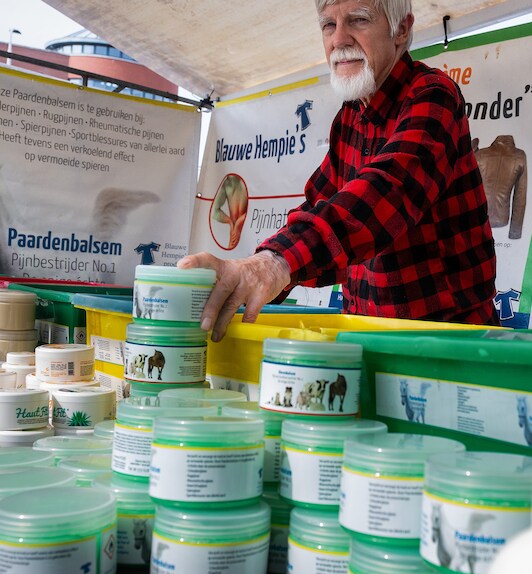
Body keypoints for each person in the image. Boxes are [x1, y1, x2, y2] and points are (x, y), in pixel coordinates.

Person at [180, 0, 496, 341]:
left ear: (401, 30)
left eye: (358, 20)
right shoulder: (349, 118)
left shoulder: (432, 95)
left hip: (449, 347)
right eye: (328, 25)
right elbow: (321, 209)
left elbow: (385, 196)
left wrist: (276, 264)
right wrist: (259, 272)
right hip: (368, 339)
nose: (339, 40)